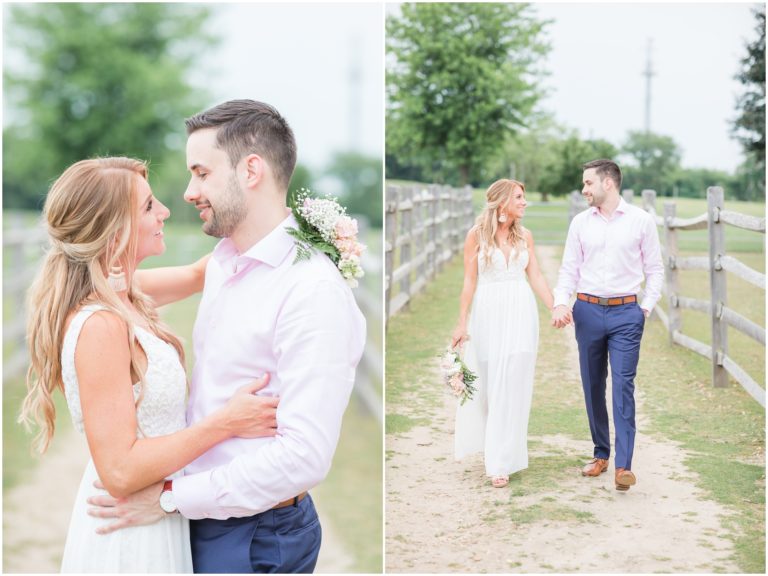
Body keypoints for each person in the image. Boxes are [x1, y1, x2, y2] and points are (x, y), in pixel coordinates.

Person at [87, 100, 367, 573]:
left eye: (201, 172)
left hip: (254, 535)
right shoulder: (223, 260)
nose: (189, 191)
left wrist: (173, 498)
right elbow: (116, 288)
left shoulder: (311, 291)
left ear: (251, 170)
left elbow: (303, 457)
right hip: (199, 519)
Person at [19, 157, 281, 572]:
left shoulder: (124, 293)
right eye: (147, 206)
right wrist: (225, 423)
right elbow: (119, 471)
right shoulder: (101, 323)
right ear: (112, 229)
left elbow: (202, 273)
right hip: (129, 530)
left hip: (153, 515)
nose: (164, 211)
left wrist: (297, 221)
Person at [551, 158, 663, 491]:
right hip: (586, 310)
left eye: (588, 183)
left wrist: (644, 309)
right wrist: (560, 301)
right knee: (592, 385)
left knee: (623, 386)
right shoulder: (580, 223)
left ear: (608, 183)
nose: (584, 189)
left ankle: (623, 466)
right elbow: (569, 269)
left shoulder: (642, 221)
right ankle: (601, 453)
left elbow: (655, 270)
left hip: (626, 314)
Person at [450, 179, 555, 488]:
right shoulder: (476, 236)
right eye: (519, 197)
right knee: (492, 383)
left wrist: (554, 307)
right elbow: (469, 281)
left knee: (515, 381)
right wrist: (461, 322)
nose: (524, 203)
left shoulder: (526, 236)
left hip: (521, 312)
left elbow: (534, 274)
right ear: (502, 201)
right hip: (489, 314)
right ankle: (495, 453)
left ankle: (504, 458)